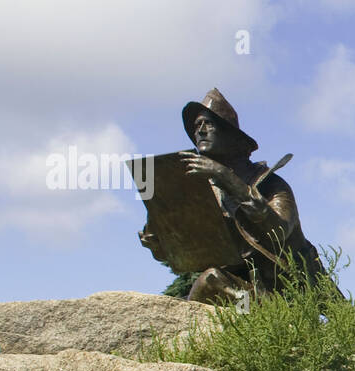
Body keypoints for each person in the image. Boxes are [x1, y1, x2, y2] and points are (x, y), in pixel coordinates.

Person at [139, 88, 330, 304]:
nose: (200, 131)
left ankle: (264, 316)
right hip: (237, 292)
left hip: (282, 294)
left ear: (230, 135)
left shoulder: (270, 185)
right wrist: (158, 242)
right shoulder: (200, 193)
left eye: (208, 124)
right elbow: (188, 255)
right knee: (208, 284)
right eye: (196, 126)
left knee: (210, 281)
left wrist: (225, 177)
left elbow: (278, 231)